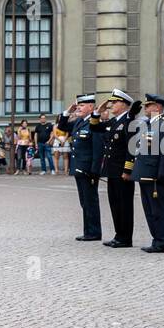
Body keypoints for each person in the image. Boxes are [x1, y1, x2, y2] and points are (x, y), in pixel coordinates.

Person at [91, 89, 141, 247]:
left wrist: (128, 170)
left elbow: (131, 148)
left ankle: (125, 238)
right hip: (112, 170)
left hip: (122, 171)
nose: (111, 105)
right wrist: (97, 112)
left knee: (124, 205)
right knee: (115, 204)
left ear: (124, 104)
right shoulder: (114, 122)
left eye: (115, 102)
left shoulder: (129, 121)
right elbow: (95, 127)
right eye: (111, 102)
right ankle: (118, 235)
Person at [131, 93, 164, 253]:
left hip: (155, 176)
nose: (145, 108)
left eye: (147, 106)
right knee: (149, 210)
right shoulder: (149, 125)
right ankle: (156, 239)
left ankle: (162, 241)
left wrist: (162, 175)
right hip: (144, 172)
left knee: (158, 210)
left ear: (157, 107)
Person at [58, 95, 102, 242]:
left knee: (91, 201)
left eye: (82, 105)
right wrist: (67, 112)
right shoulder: (78, 122)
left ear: (91, 107)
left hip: (88, 169)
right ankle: (88, 231)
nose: (78, 108)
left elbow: (97, 149)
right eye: (78, 105)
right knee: (84, 201)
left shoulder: (94, 123)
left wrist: (94, 170)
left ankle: (94, 232)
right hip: (79, 167)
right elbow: (62, 126)